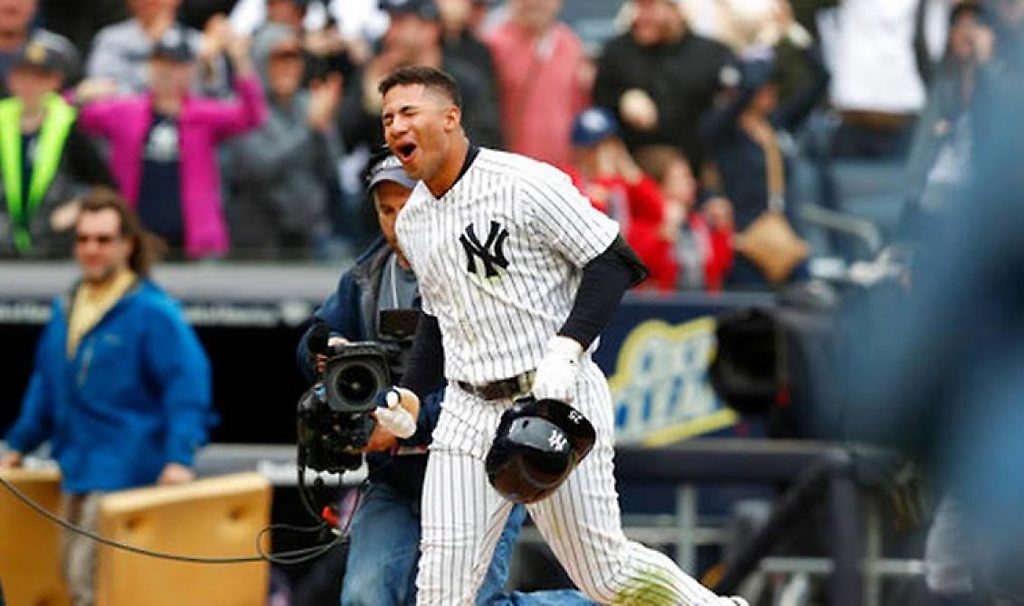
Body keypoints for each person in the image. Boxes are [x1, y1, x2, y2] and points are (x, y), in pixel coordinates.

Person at [378, 65, 747, 605]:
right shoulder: (413, 221)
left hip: (553, 397)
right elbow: (437, 317)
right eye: (388, 118)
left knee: (606, 574)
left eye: (408, 112)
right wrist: (411, 394)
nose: (395, 126)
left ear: (451, 117)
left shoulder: (523, 182)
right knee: (440, 589)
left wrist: (567, 348)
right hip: (467, 408)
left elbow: (615, 260)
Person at [295, 150, 594, 606]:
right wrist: (326, 350)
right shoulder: (366, 275)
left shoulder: (479, 268)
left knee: (471, 603)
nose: (397, 221)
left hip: (477, 468)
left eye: (406, 205)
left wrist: (401, 424)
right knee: (363, 597)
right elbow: (314, 340)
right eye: (386, 210)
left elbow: (495, 384)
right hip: (397, 479)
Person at [0, 187, 215, 606]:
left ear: (126, 244)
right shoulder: (68, 307)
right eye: (83, 239)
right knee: (73, 578)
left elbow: (187, 385)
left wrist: (179, 457)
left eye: (103, 239)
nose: (91, 249)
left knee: (93, 587)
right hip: (76, 467)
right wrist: (19, 444)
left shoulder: (151, 310)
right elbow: (46, 384)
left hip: (128, 472)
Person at [76, 25, 267, 259]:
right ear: (149, 67)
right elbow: (73, 116)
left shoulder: (203, 115)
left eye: (176, 65)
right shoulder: (125, 111)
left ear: (190, 71)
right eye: (160, 63)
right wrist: (80, 95)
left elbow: (252, 115)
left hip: (194, 239)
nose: (166, 72)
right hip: (134, 239)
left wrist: (241, 62)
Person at [230, 24, 342, 259]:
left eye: (294, 58)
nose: (288, 67)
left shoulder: (310, 103)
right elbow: (258, 168)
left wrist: (323, 131)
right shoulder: (245, 107)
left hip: (309, 233)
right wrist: (309, 130)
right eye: (279, 58)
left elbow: (332, 169)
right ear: (261, 61)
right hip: (258, 237)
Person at [0, 37, 114, 258]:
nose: (30, 85)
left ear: (55, 81)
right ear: (11, 79)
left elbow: (105, 185)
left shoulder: (71, 124)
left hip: (57, 246)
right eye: (23, 76)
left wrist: (79, 205)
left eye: (39, 78)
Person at [483, 0, 588, 166]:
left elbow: (579, 108)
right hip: (512, 167)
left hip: (562, 168)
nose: (534, 3)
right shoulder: (492, 45)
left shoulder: (570, 43)